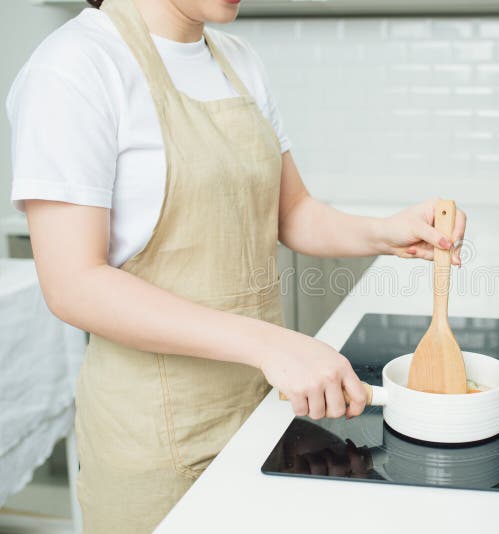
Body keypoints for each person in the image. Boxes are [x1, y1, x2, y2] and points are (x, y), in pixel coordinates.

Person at [6, 0, 466, 530]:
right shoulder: (75, 65)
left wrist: (385, 231)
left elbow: (292, 212)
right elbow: (73, 283)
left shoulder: (238, 60)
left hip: (261, 415)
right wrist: (271, 344)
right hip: (155, 445)